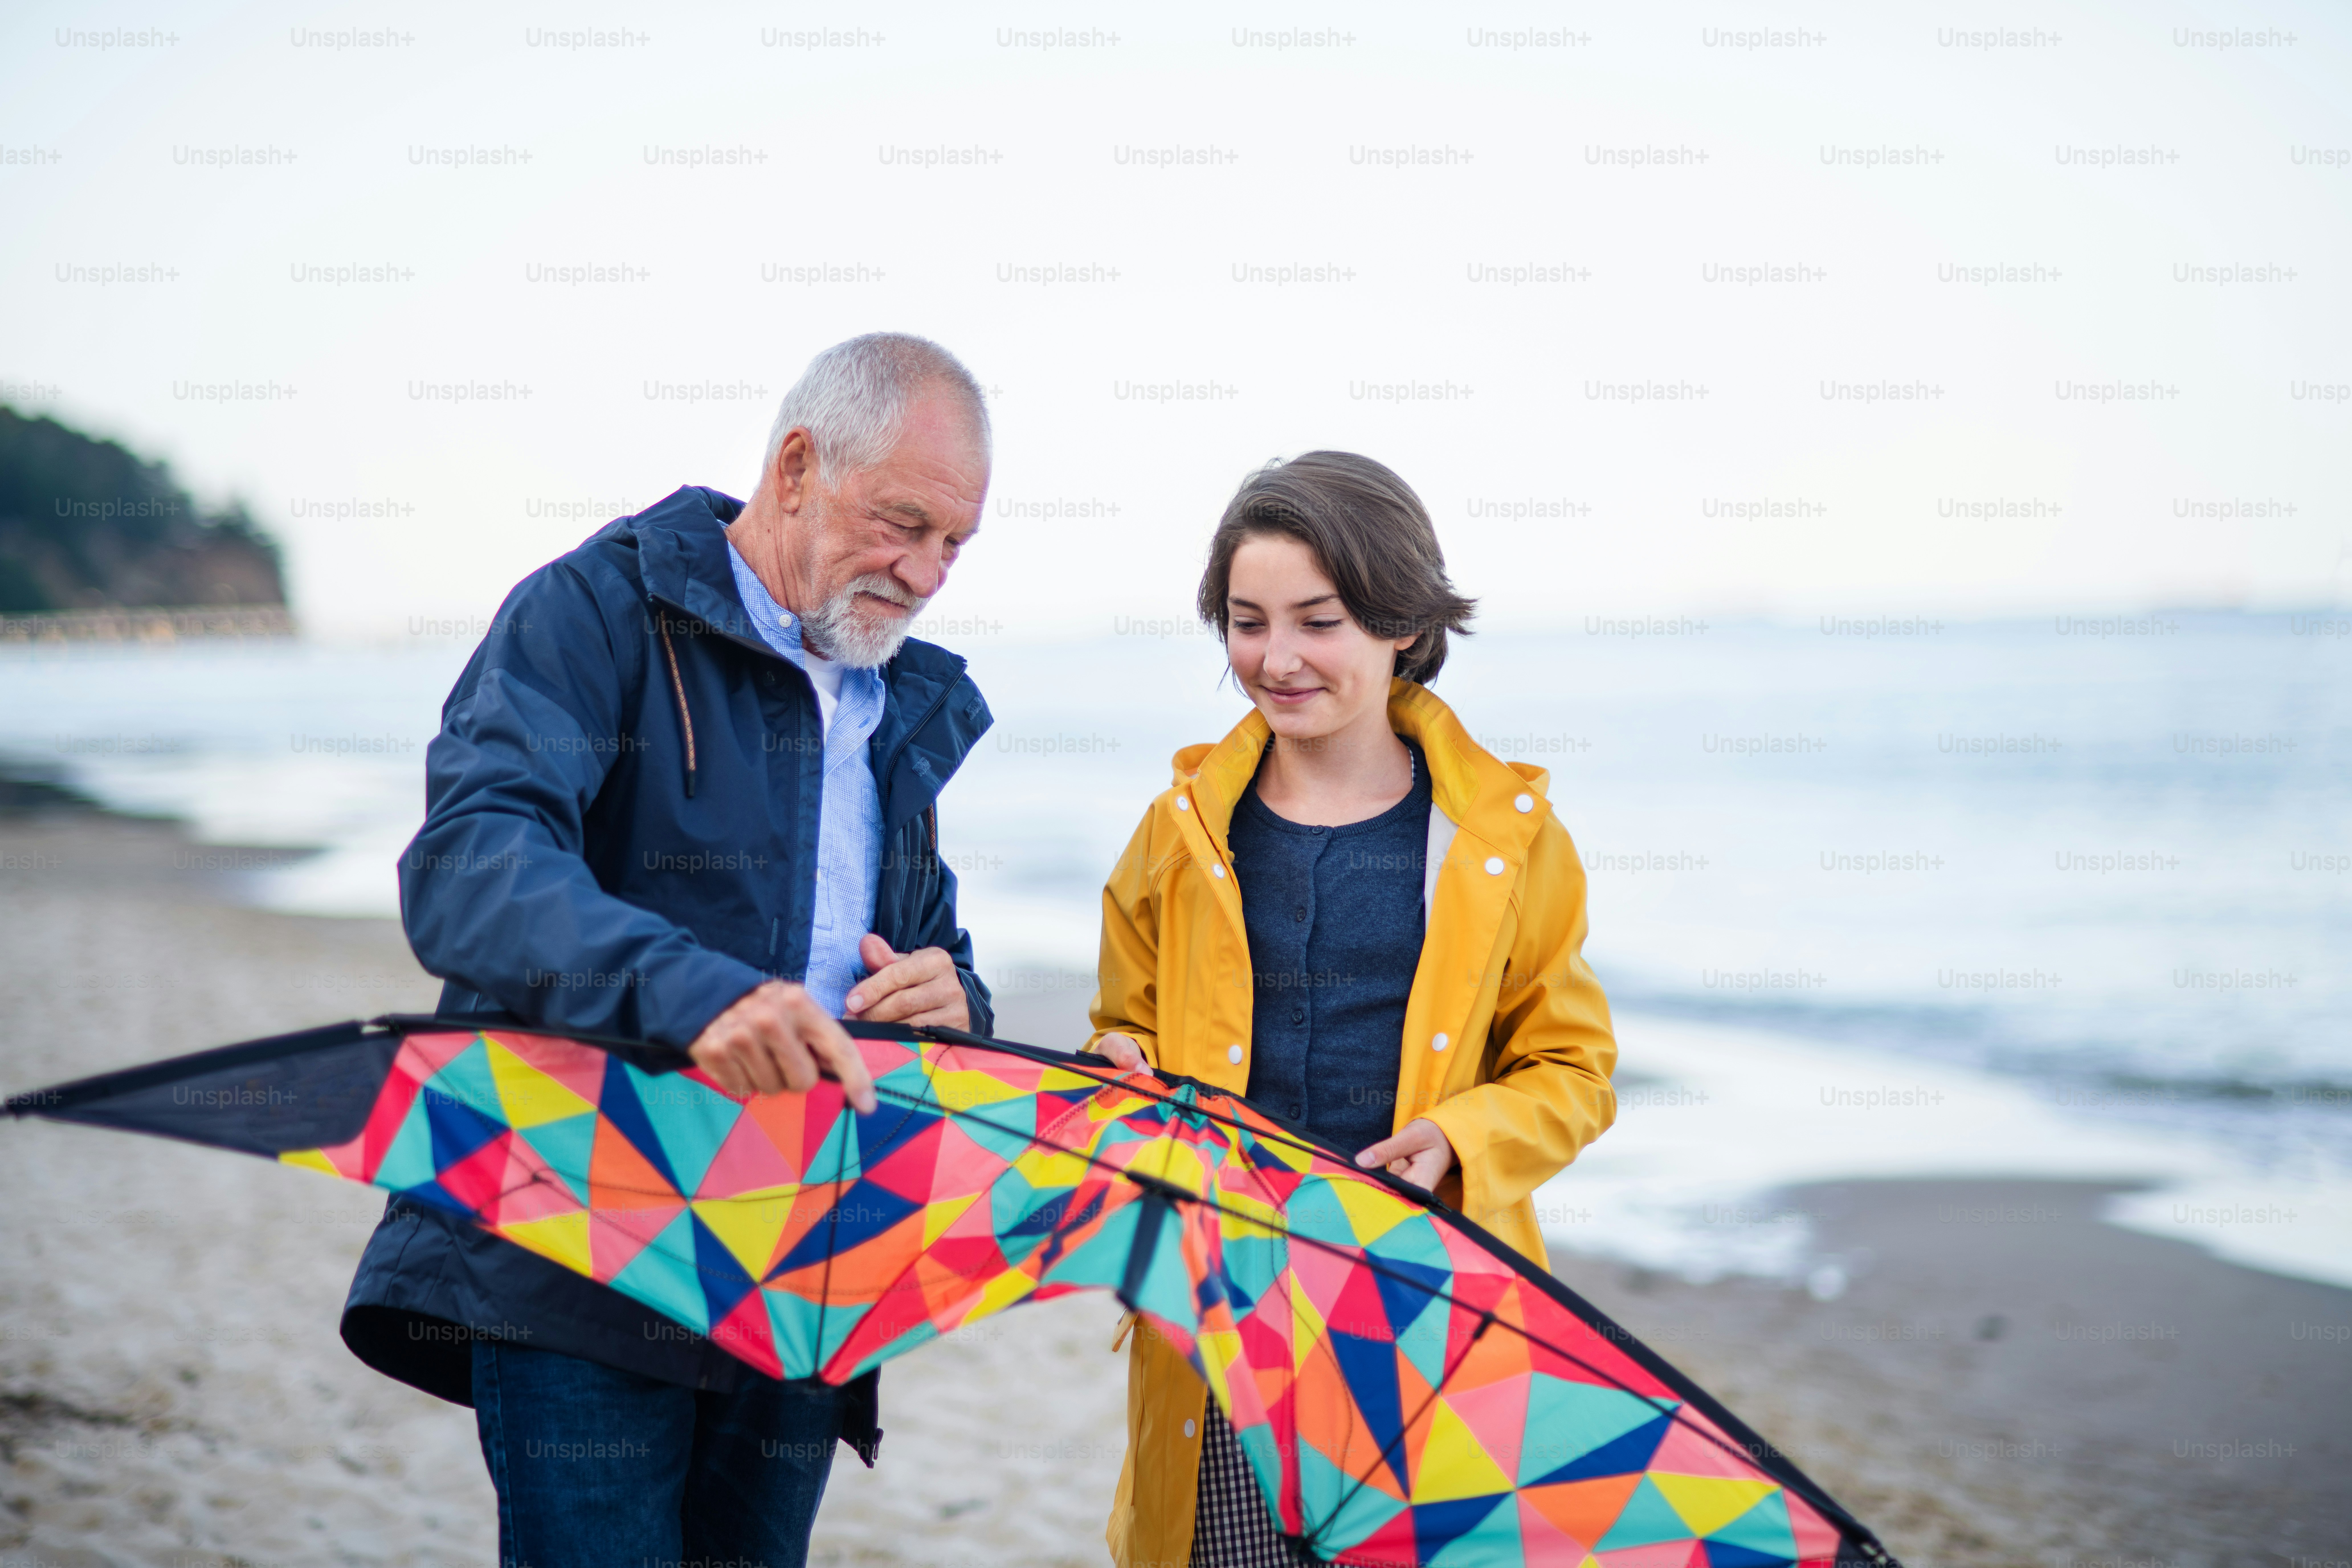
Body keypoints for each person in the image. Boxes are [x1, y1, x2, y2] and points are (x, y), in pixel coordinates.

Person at [340, 333, 997, 1568]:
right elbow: (472, 865)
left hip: (802, 1258)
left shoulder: (890, 696)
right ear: (796, 465)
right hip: (576, 1231)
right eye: (901, 524)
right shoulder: (591, 610)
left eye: (953, 544)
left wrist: (956, 1002)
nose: (923, 572)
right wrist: (700, 996)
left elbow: (936, 953)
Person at [1087, 451, 1619, 1567]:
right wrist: (1117, 1061)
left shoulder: (1505, 838)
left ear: (1399, 621)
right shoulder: (1177, 834)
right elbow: (1120, 1024)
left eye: (1317, 621)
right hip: (1227, 1306)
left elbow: (1572, 1069)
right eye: (1245, 621)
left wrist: (1459, 1141)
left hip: (1429, 1316)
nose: (1274, 658)